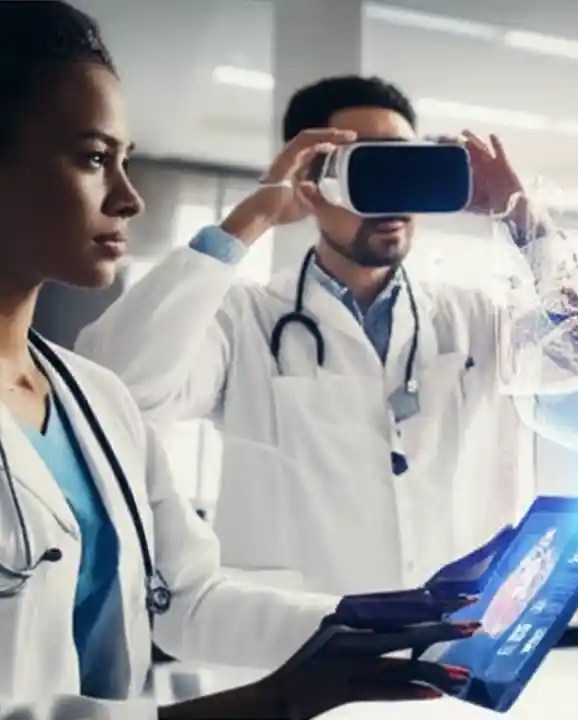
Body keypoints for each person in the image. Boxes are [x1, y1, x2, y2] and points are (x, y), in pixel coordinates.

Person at [0, 2, 476, 716]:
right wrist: (251, 216)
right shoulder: (240, 319)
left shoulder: (89, 399)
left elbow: (186, 596)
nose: (129, 198)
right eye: (95, 158)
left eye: (126, 160)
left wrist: (372, 621)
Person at [76, 75, 578, 595]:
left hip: (446, 654)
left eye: (402, 164)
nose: (392, 197)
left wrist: (522, 216)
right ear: (309, 178)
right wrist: (249, 218)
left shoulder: (476, 319)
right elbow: (118, 387)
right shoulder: (243, 321)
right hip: (298, 664)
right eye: (368, 167)